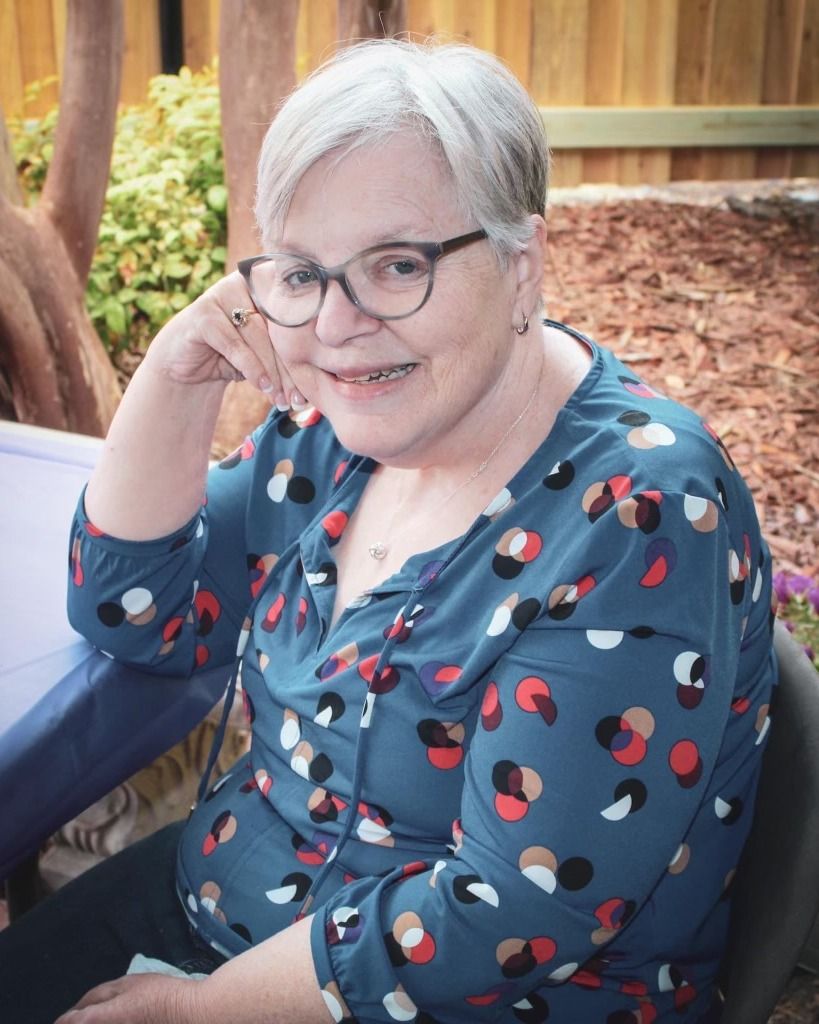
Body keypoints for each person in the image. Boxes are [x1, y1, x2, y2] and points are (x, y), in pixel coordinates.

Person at [0, 39, 775, 1024]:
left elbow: (512, 911)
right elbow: (136, 613)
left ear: (522, 264)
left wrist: (200, 1008)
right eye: (303, 272)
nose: (336, 324)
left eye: (398, 265)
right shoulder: (337, 429)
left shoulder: (638, 511)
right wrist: (175, 373)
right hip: (221, 897)